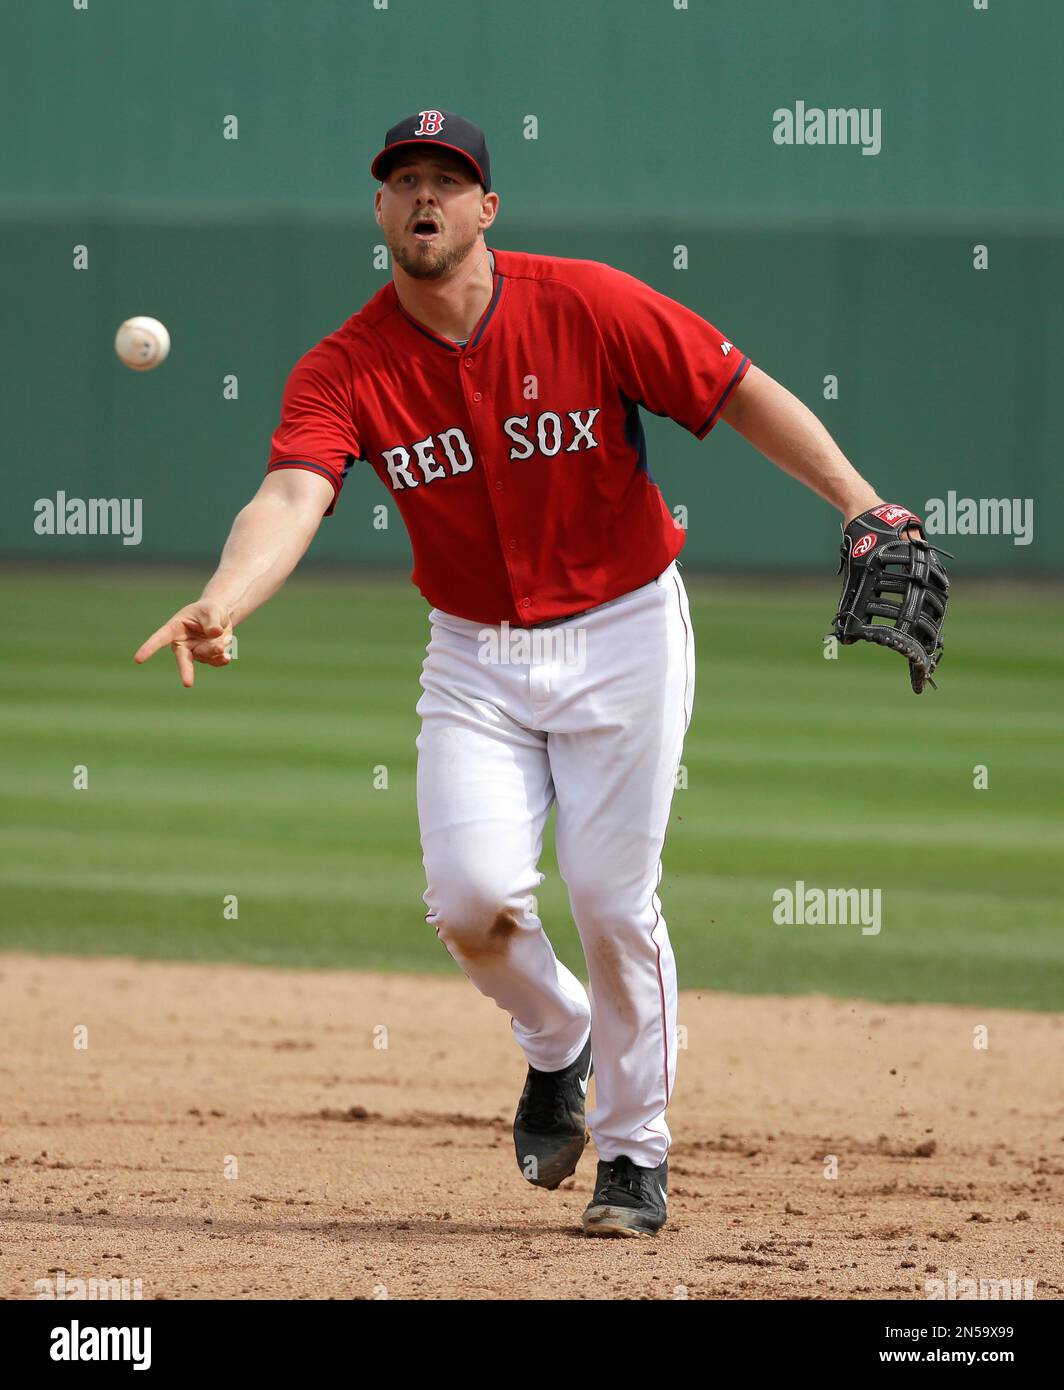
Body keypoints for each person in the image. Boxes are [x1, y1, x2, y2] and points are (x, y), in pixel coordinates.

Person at [135, 110, 915, 1238]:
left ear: (486, 208)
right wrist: (227, 596)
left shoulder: (586, 303)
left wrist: (858, 501)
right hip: (475, 655)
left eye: (446, 181)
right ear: (378, 210)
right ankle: (560, 1042)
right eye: (403, 179)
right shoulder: (344, 365)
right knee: (468, 906)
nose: (423, 197)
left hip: (625, 631)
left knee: (608, 899)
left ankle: (635, 1155)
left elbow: (733, 384)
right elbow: (292, 491)